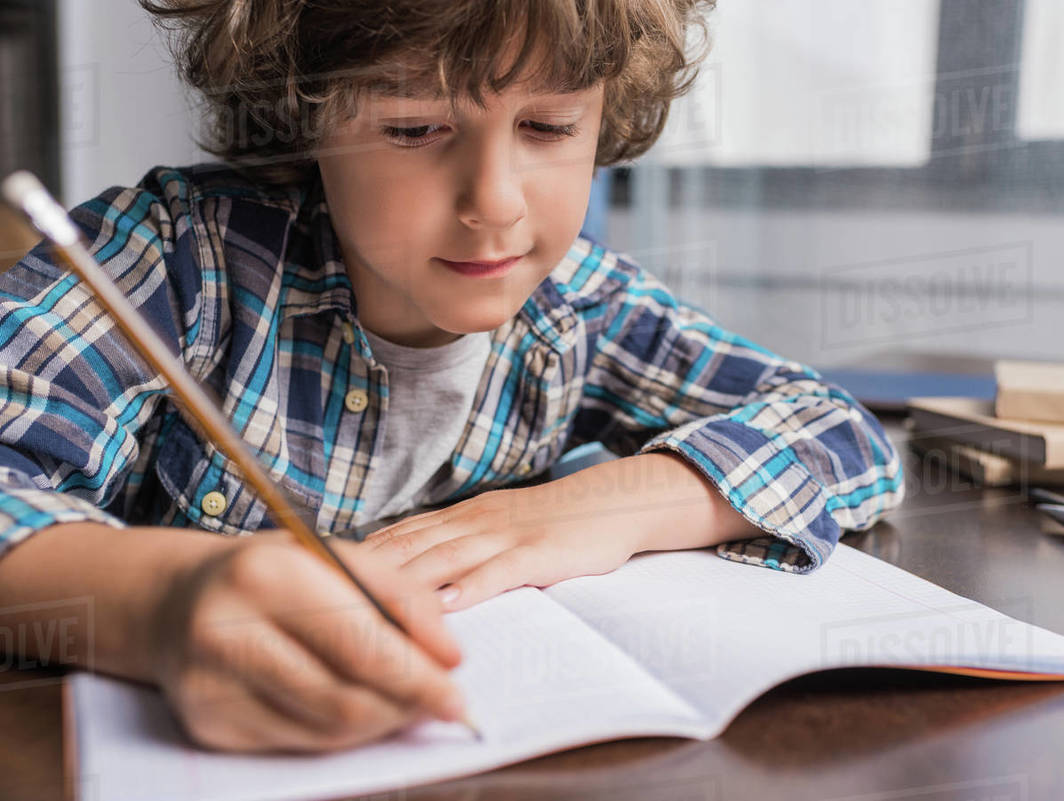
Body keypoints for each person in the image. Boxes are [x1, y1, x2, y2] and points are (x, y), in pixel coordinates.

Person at [0, 0, 903, 754]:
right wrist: (157, 606)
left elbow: (839, 431)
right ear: (304, 110)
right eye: (415, 128)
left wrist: (606, 505)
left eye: (549, 126)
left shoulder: (581, 305)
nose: (496, 201)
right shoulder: (176, 262)